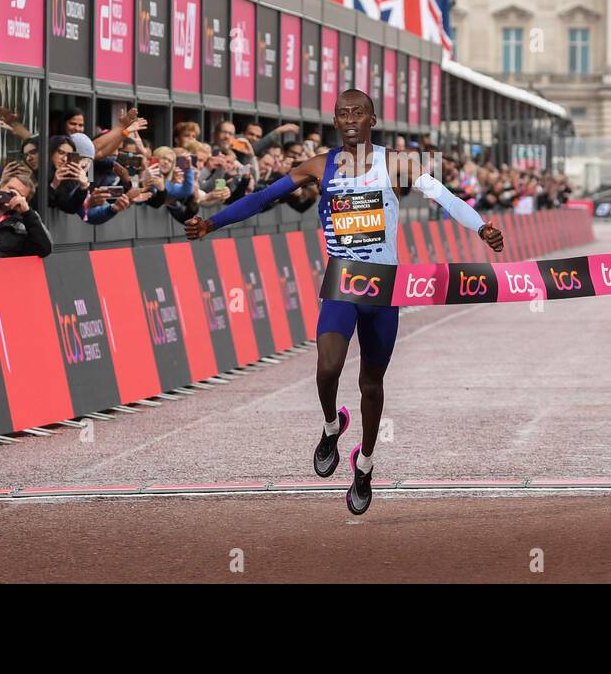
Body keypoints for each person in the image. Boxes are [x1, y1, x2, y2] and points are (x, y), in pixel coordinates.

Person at [184, 89, 504, 516]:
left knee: (371, 385)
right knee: (327, 368)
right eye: (342, 113)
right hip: (342, 284)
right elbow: (262, 199)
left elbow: (444, 198)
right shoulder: (321, 165)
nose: (350, 118)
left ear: (373, 120)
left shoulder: (398, 163)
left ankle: (366, 464)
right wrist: (212, 222)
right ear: (336, 121)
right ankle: (332, 425)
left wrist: (482, 228)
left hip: (384, 291)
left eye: (358, 112)